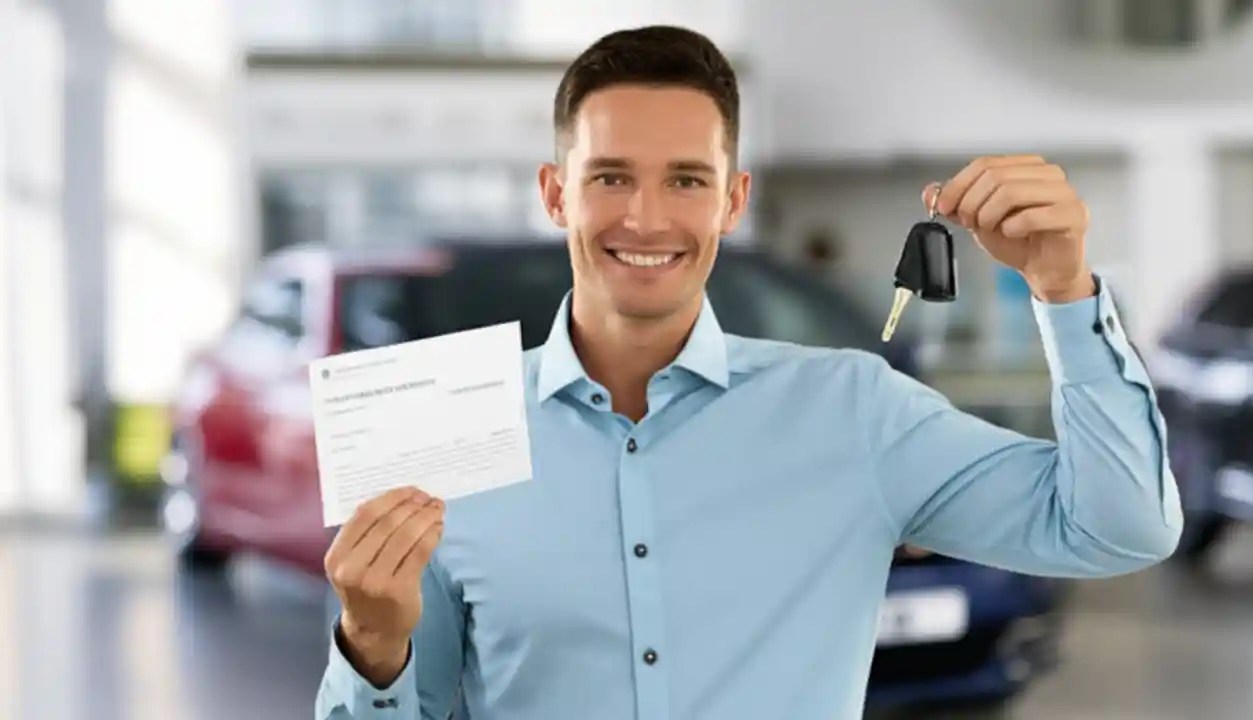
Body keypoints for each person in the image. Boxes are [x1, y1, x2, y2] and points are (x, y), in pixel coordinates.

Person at [314, 25, 1183, 720]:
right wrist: (373, 644)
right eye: (610, 176)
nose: (647, 218)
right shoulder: (444, 434)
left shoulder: (854, 413)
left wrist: (1062, 289)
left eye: (687, 180)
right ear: (555, 193)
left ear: (732, 199)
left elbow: (1120, 527)